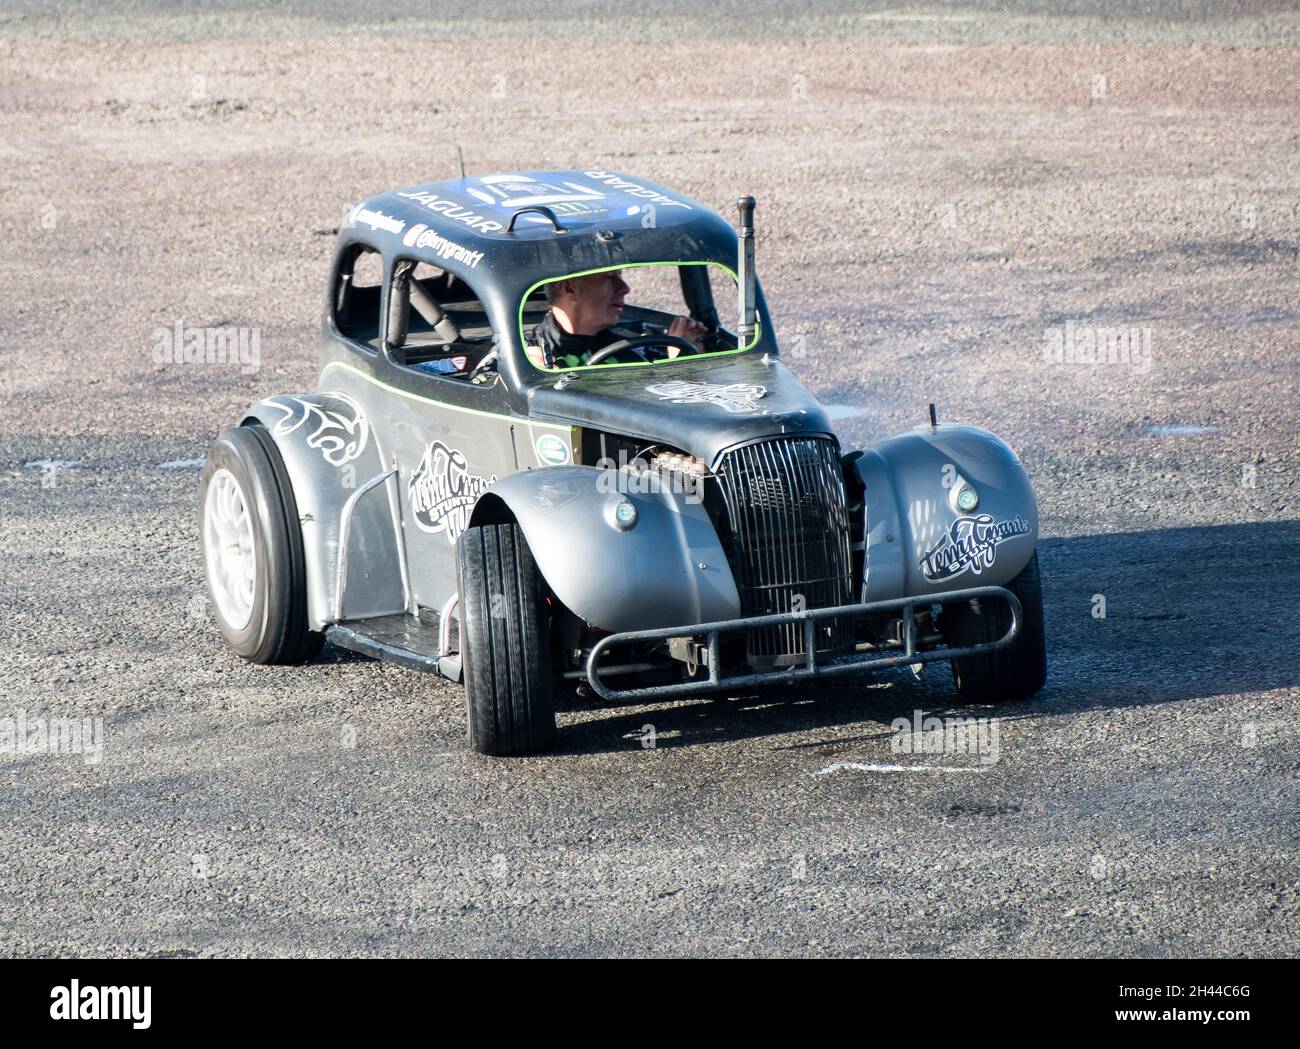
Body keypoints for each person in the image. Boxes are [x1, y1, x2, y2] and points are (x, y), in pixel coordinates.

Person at [528, 270, 707, 368]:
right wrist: (529, 372)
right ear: (569, 288)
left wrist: (683, 360)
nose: (625, 288)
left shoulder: (638, 346)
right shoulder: (527, 351)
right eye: (609, 277)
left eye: (620, 276)